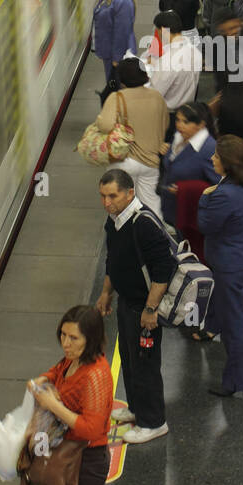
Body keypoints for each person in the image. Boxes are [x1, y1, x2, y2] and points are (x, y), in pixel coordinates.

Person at [96, 168, 177, 444]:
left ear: (130, 193)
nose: (107, 202)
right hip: (126, 303)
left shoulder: (143, 224)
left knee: (145, 365)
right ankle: (136, 409)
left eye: (113, 196)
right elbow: (113, 258)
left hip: (143, 309)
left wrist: (151, 310)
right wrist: (107, 292)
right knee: (129, 359)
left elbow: (163, 270)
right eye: (103, 196)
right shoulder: (115, 219)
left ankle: (154, 422)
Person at [198, 135, 243, 397]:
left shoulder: (222, 194)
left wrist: (206, 197)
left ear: (228, 164)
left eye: (216, 156)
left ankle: (236, 382)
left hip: (229, 264)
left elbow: (205, 225)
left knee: (233, 323)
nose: (212, 159)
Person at [26, 305, 113, 485]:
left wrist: (52, 405)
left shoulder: (95, 376)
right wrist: (44, 379)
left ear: (91, 340)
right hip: (65, 450)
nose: (65, 343)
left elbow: (91, 429)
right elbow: (58, 371)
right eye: (63, 335)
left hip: (85, 461)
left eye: (73, 338)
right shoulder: (74, 357)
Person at [90, 58, 169, 211]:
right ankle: (152, 233)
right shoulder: (157, 97)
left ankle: (124, 234)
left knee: (121, 207)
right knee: (151, 204)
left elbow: (105, 125)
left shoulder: (117, 98)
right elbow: (165, 124)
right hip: (151, 161)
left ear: (122, 79)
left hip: (123, 160)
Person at [159, 102, 219, 257]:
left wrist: (188, 189)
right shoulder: (178, 137)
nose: (180, 125)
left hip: (194, 217)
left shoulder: (208, 149)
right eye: (178, 120)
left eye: (186, 122)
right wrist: (165, 153)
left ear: (201, 125)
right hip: (177, 210)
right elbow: (173, 164)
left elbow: (219, 185)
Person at [145, 10, 201, 133]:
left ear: (163, 30)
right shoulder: (195, 52)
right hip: (188, 108)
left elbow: (155, 94)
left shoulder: (168, 60)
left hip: (169, 115)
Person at [92, 0, 137, 92]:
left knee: (118, 88)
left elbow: (122, 32)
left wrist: (117, 59)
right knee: (113, 85)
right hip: (108, 51)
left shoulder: (123, 1)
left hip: (118, 54)